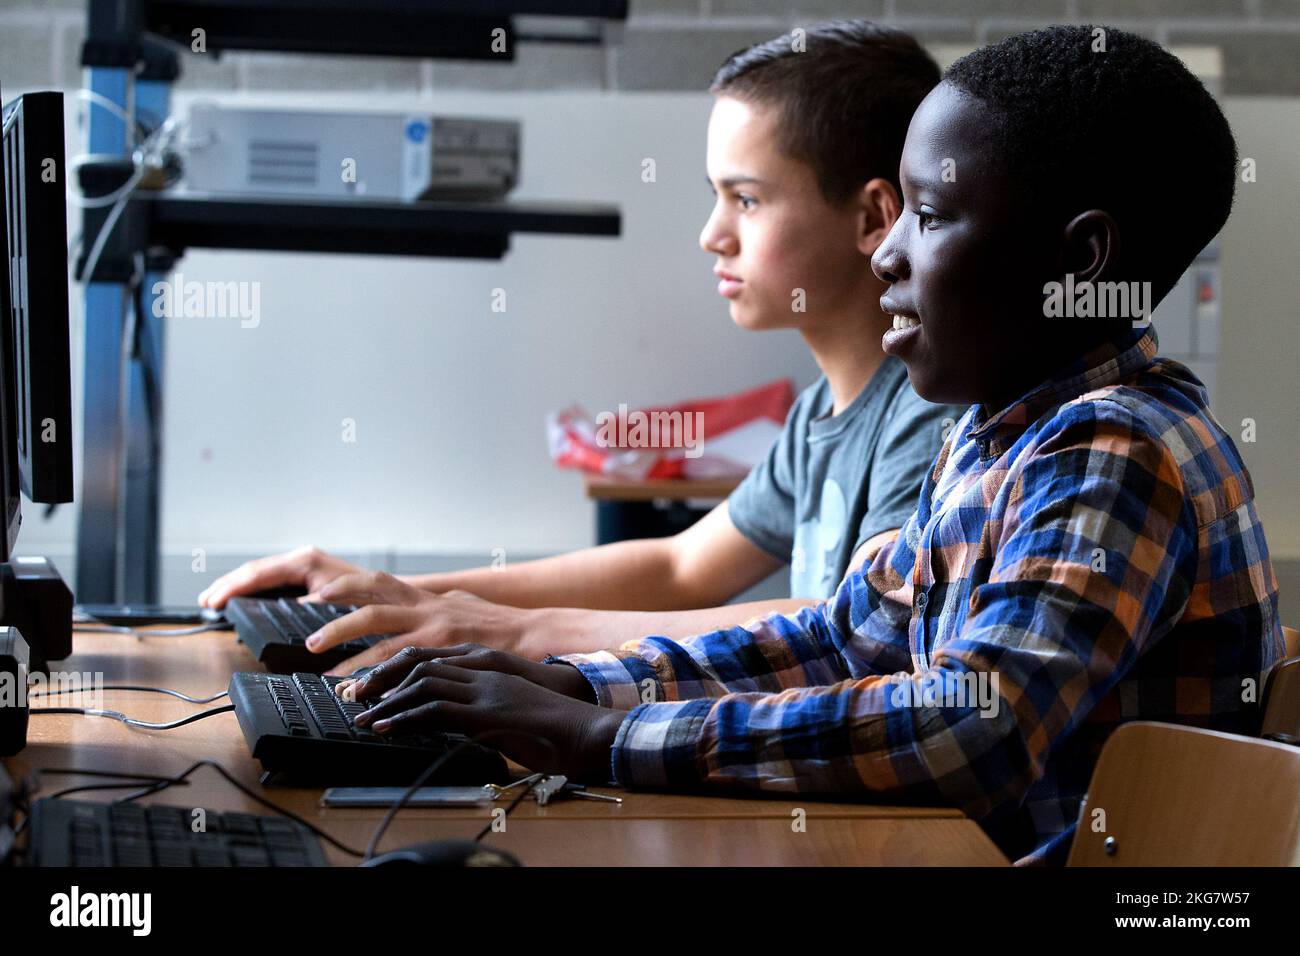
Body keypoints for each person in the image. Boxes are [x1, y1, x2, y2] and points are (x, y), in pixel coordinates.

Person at [333, 25, 1285, 866]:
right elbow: (842, 637)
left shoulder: (1113, 450)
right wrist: (570, 685)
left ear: (1081, 262)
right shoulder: (1003, 435)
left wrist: (598, 737)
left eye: (933, 215)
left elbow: (973, 731)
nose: (888, 254)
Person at [200, 21, 959, 669]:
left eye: (747, 199)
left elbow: (854, 629)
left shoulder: (930, 414)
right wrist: (397, 594)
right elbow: (677, 565)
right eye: (715, 196)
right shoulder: (823, 414)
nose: (710, 235)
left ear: (871, 220)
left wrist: (525, 632)